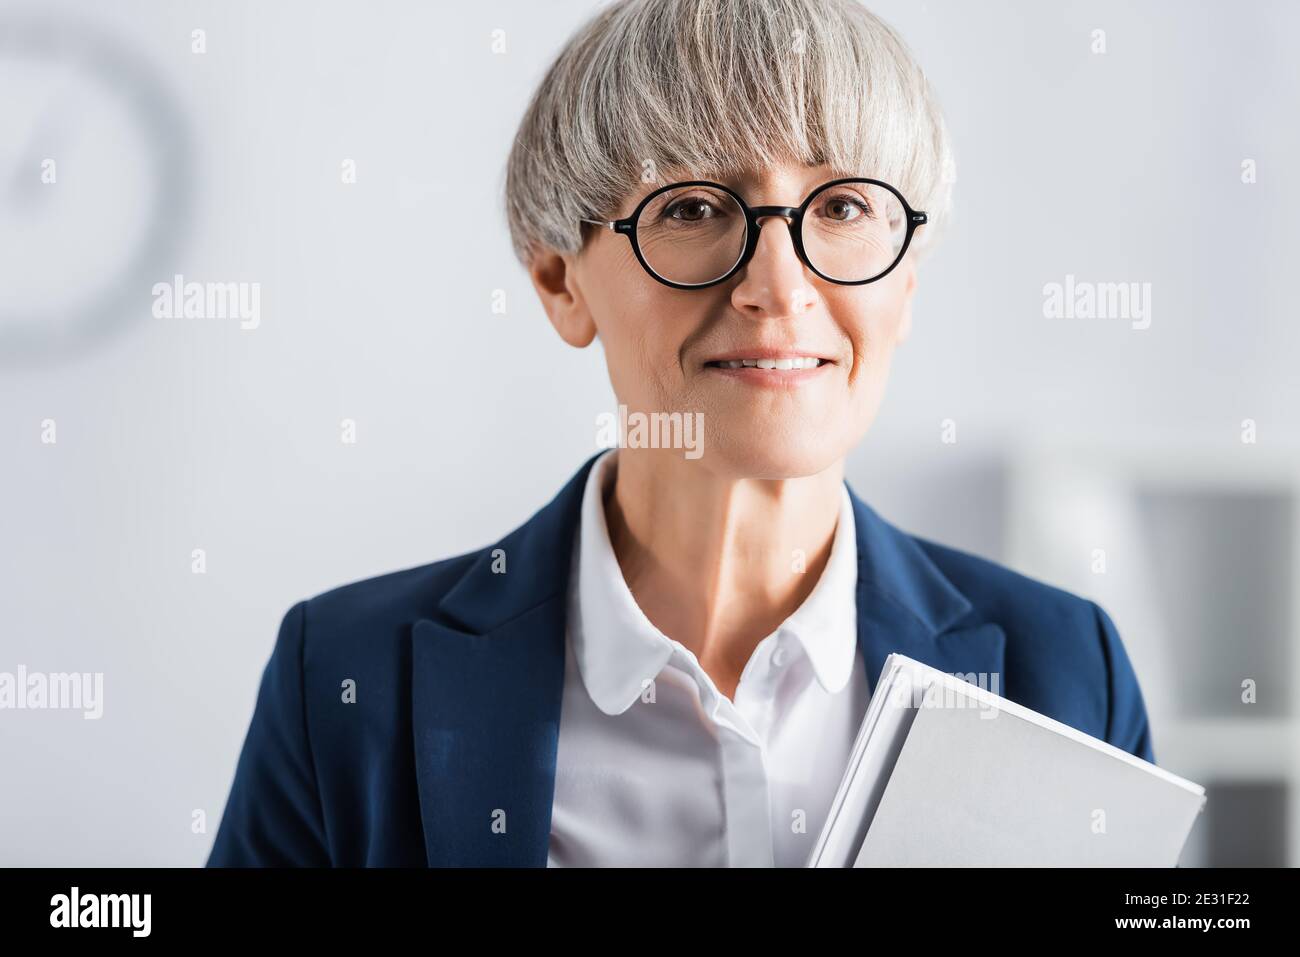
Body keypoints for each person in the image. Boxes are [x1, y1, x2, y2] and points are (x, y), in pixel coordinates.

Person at [208, 0, 1153, 868]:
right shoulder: (343, 680)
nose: (779, 286)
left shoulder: (1065, 673)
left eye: (844, 207)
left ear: (906, 282)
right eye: (695, 208)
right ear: (559, 281)